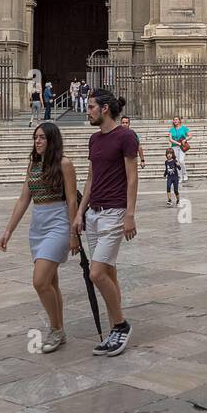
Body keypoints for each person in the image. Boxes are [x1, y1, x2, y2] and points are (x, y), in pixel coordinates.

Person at [0, 121, 77, 354]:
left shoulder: (64, 164)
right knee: (51, 282)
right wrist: (8, 230)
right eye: (36, 138)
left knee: (40, 281)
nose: (38, 141)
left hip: (59, 223)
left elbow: (72, 200)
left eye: (42, 137)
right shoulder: (33, 164)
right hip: (38, 225)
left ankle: (55, 329)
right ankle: (59, 328)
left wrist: (74, 234)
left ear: (52, 139)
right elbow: (24, 198)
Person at [72, 89, 139, 356]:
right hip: (94, 214)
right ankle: (114, 329)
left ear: (105, 109)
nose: (87, 111)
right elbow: (90, 178)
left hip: (114, 213)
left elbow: (132, 177)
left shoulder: (126, 136)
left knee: (96, 273)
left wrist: (130, 215)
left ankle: (121, 325)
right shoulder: (94, 140)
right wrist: (79, 212)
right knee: (108, 272)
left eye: (90, 107)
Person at [169, 116, 190, 186]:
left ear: (179, 121)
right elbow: (170, 139)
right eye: (174, 120)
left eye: (176, 119)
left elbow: (190, 135)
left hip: (182, 147)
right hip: (174, 147)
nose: (175, 121)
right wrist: (177, 143)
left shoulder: (184, 128)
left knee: (181, 161)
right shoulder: (172, 129)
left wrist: (185, 139)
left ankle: (185, 174)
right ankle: (180, 177)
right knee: (177, 162)